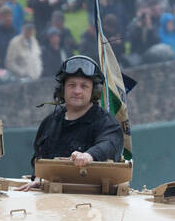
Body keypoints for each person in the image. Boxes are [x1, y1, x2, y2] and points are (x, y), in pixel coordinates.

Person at [16, 55, 123, 190]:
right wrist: (39, 177)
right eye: (72, 85)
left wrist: (88, 155)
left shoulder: (105, 122)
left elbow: (109, 143)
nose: (77, 91)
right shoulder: (50, 122)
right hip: (51, 194)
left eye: (84, 86)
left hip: (90, 197)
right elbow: (39, 157)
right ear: (63, 89)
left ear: (94, 92)